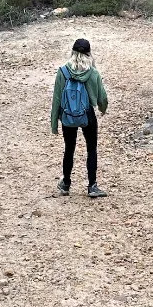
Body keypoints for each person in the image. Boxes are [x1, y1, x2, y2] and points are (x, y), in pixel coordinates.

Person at [51, 37, 109, 197]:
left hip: (68, 115)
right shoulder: (93, 72)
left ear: (73, 52)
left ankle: (66, 184)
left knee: (69, 149)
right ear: (89, 53)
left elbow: (56, 98)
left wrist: (54, 123)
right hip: (87, 114)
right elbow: (102, 97)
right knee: (91, 149)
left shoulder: (63, 71)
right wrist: (103, 109)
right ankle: (92, 186)